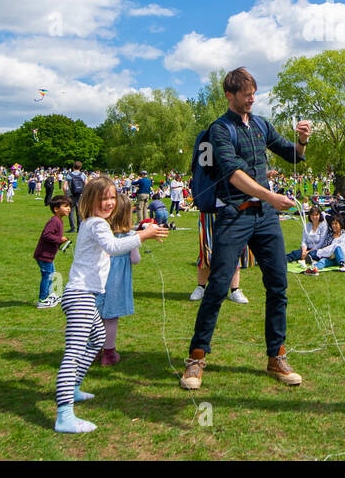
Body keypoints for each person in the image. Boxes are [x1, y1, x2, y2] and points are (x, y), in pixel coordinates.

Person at [181, 67, 309, 391]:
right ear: (230, 96)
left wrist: (303, 141)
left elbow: (291, 153)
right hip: (235, 215)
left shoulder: (263, 124)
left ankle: (276, 357)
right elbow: (234, 173)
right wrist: (270, 195)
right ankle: (196, 359)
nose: (252, 99)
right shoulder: (219, 130)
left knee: (278, 285)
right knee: (218, 285)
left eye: (254, 93)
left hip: (265, 217)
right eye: (246, 94)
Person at [53, 177, 148, 434]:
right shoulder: (96, 224)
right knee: (72, 354)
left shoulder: (92, 223)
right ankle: (64, 415)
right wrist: (142, 235)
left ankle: (72, 389)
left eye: (112, 197)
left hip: (85, 295)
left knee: (97, 339)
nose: (109, 202)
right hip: (80, 295)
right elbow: (114, 246)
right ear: (89, 200)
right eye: (103, 198)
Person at [95, 197, 163, 366]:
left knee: (96, 316)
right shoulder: (131, 236)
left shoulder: (101, 233)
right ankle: (108, 353)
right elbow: (135, 259)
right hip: (117, 280)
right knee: (111, 318)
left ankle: (93, 350)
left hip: (97, 279)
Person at [191, 206, 252, 305]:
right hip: (209, 209)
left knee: (234, 250)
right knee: (206, 248)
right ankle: (201, 287)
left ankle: (234, 290)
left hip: (232, 208)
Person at [34, 195, 72, 309]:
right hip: (44, 254)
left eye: (69, 206)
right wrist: (58, 239)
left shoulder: (58, 221)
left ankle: (50, 295)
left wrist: (61, 239)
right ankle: (42, 299)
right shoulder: (54, 221)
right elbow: (46, 234)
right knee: (47, 275)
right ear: (56, 209)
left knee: (51, 274)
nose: (69, 209)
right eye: (66, 206)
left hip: (48, 254)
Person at [65, 162, 87, 232]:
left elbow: (64, 187)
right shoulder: (83, 175)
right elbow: (87, 185)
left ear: (73, 167)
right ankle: (79, 228)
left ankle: (72, 228)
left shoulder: (69, 175)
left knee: (71, 212)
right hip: (80, 195)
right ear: (80, 167)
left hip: (71, 195)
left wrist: (66, 195)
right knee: (79, 211)